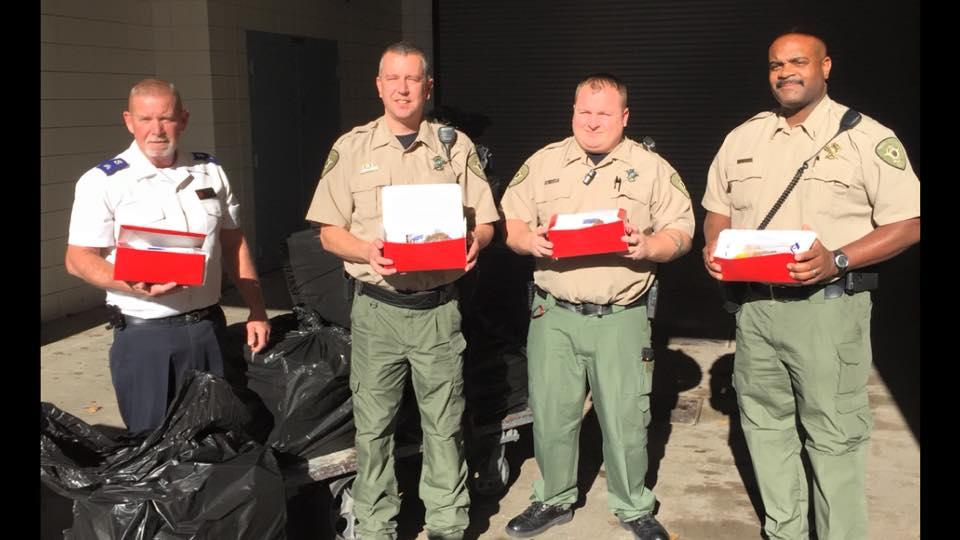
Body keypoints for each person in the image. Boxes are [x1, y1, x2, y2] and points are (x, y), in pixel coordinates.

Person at [701, 31, 921, 540]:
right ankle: (785, 531)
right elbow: (718, 210)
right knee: (764, 427)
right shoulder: (744, 138)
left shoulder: (865, 137)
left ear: (825, 66)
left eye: (798, 62)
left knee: (835, 438)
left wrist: (838, 259)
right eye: (776, 64)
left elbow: (908, 222)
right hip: (755, 311)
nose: (785, 72)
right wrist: (714, 246)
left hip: (828, 311)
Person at [304, 41, 499, 540]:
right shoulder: (352, 148)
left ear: (428, 87)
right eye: (394, 78)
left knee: (444, 424)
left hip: (437, 310)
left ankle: (447, 524)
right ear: (379, 85)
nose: (403, 88)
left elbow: (487, 222)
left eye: (413, 79)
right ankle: (374, 526)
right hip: (378, 312)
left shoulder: (456, 147)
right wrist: (366, 250)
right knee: (373, 429)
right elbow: (328, 231)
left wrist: (474, 242)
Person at [500, 73, 693, 540]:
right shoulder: (544, 162)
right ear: (572, 113)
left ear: (624, 117)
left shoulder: (651, 169)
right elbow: (512, 221)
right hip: (554, 315)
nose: (592, 121)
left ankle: (633, 506)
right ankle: (553, 498)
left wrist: (649, 246)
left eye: (604, 113)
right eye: (584, 111)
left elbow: (683, 232)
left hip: (620, 319)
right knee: (550, 414)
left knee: (627, 418)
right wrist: (530, 241)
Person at [64, 78, 270, 437]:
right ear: (129, 121)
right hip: (147, 339)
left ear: (184, 120)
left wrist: (256, 309)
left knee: (221, 435)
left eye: (166, 118)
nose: (156, 130)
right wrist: (131, 283)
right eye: (146, 119)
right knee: (155, 443)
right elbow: (78, 258)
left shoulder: (210, 172)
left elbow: (233, 242)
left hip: (209, 329)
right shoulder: (103, 182)